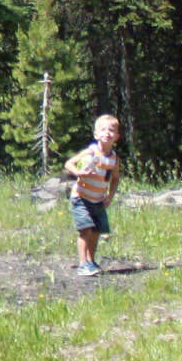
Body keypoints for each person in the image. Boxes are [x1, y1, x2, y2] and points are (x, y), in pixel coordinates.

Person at [63, 113, 123, 277]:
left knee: (96, 231)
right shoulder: (91, 152)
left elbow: (115, 178)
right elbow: (69, 164)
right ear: (96, 134)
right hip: (81, 197)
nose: (107, 133)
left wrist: (110, 196)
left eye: (111, 130)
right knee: (85, 230)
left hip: (98, 200)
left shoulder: (114, 159)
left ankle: (91, 261)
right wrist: (79, 172)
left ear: (116, 136)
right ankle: (83, 264)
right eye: (103, 130)